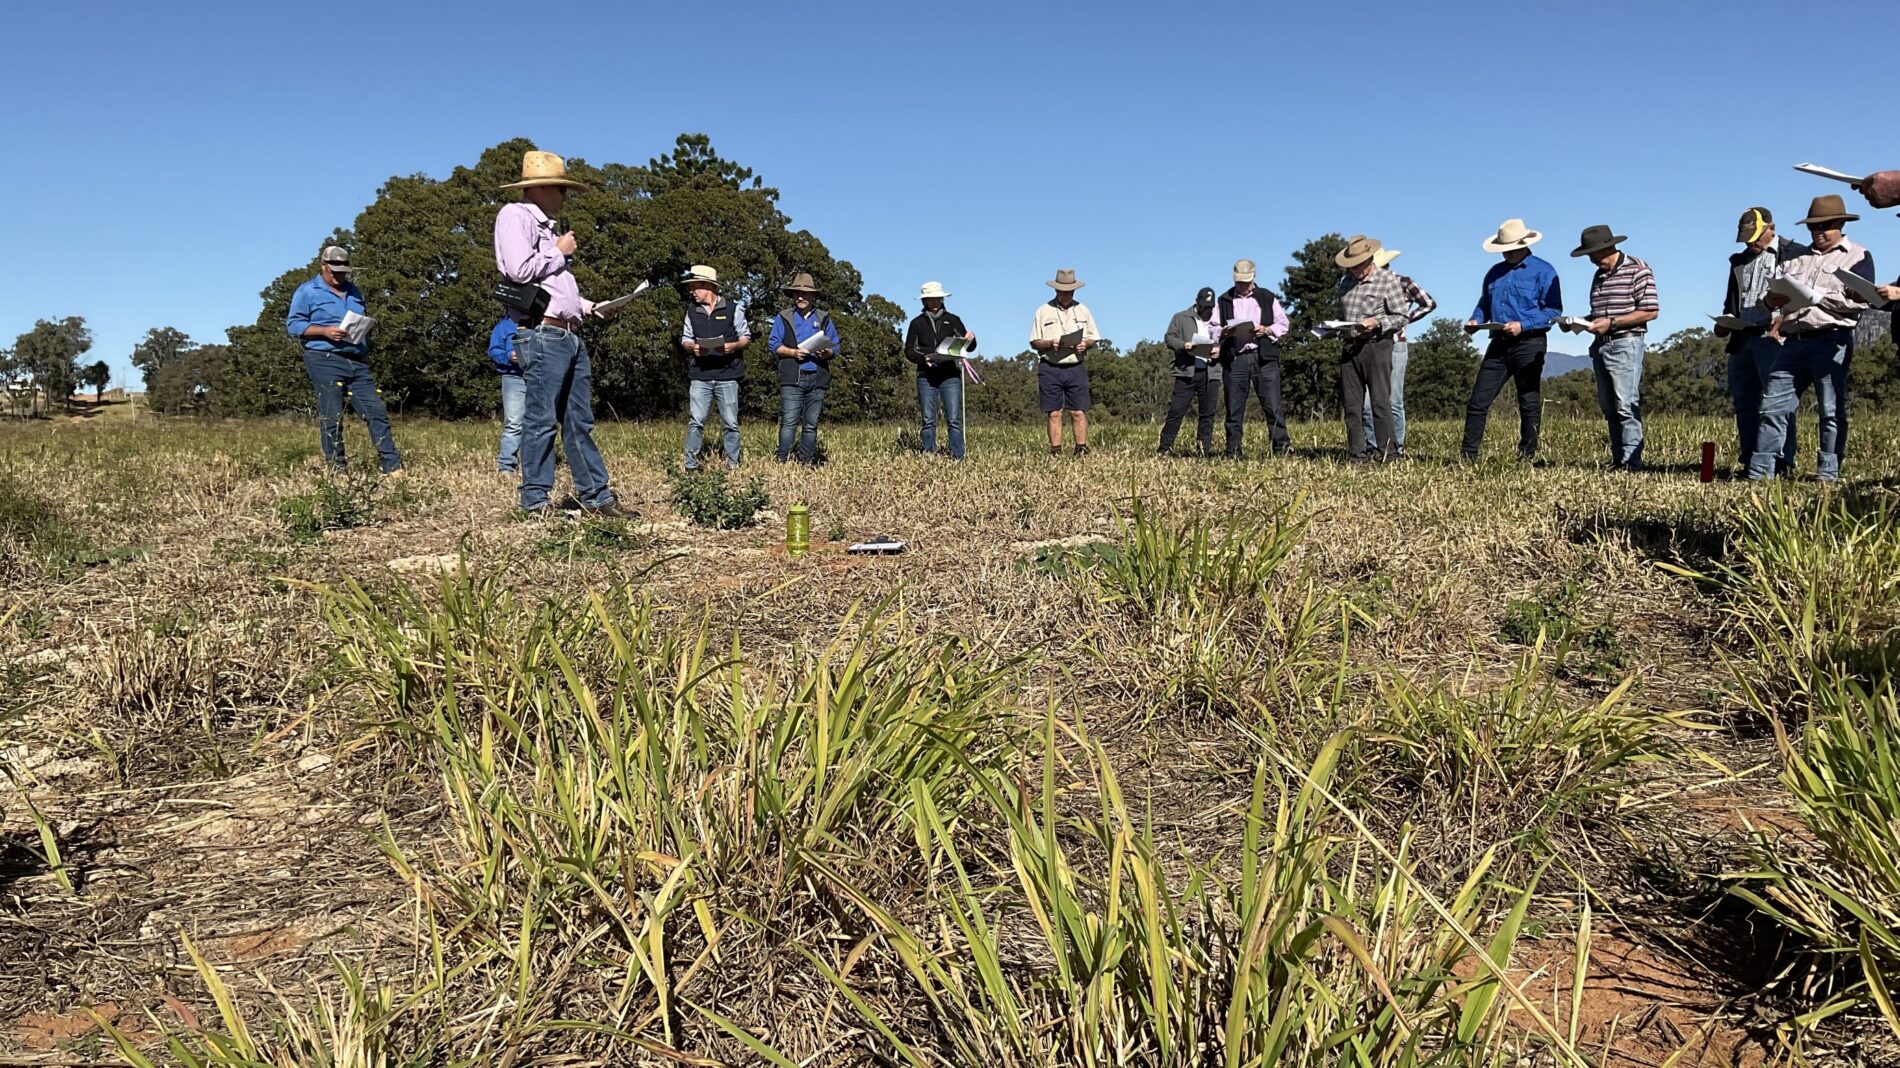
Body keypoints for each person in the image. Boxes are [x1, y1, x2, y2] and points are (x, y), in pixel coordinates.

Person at [493, 151, 634, 518]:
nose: (564, 196)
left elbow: (556, 290)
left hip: (568, 333)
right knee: (540, 420)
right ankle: (535, 501)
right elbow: (518, 271)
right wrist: (558, 251)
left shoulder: (549, 228)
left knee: (578, 420)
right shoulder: (515, 216)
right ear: (539, 188)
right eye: (560, 187)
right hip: (542, 334)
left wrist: (590, 306)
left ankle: (597, 497)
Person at [1753, 195, 1876, 482]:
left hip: (1831, 339)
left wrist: (1818, 298)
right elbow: (1766, 300)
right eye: (1813, 227)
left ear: (1841, 224)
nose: (1819, 232)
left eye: (1826, 226)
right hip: (1792, 340)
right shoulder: (1795, 256)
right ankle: (1760, 473)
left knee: (1830, 410)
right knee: (1771, 407)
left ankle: (1828, 473)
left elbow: (1862, 301)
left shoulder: (1858, 256)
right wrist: (1772, 299)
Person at [285, 246, 403, 474]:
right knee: (332, 416)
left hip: (356, 359)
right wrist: (324, 331)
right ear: (323, 266)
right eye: (334, 270)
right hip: (323, 357)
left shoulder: (355, 292)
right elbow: (293, 325)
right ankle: (337, 469)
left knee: (376, 411)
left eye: (343, 271)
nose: (339, 275)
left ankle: (392, 467)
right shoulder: (307, 291)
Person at [1461, 219, 1562, 462]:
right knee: (1478, 401)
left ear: (1524, 245)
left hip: (1530, 342)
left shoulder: (1544, 271)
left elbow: (1553, 311)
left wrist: (1523, 325)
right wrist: (1475, 320)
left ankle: (1527, 455)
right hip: (1498, 343)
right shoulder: (1494, 273)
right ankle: (1468, 456)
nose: (1507, 253)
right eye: (1504, 249)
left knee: (1528, 401)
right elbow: (1484, 305)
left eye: (1512, 248)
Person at [1565, 225, 1659, 471]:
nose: (1590, 259)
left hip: (1625, 343)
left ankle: (1631, 462)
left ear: (1605, 248)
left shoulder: (1637, 269)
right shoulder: (1599, 275)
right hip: (1601, 345)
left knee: (1626, 404)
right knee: (1609, 406)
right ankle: (1619, 459)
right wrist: (1581, 322)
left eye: (1592, 254)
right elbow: (1601, 313)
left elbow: (1650, 311)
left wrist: (1613, 323)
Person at [1717, 208, 1800, 475]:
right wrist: (1724, 322)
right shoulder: (1738, 261)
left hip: (1774, 337)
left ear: (1771, 229)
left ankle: (1781, 462)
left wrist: (1784, 323)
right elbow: (1732, 301)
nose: (1750, 242)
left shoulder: (1794, 253)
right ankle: (1750, 460)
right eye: (1746, 237)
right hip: (1742, 337)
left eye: (1754, 236)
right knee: (1745, 404)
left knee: (1776, 404)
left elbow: (1802, 295)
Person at [1333, 236, 1412, 460]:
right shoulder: (1345, 283)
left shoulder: (1387, 280)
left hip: (1377, 345)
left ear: (1369, 260)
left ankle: (1389, 452)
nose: (1354, 270)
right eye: (1350, 266)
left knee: (1379, 402)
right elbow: (1341, 315)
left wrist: (1377, 322)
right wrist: (1334, 328)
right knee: (1352, 404)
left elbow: (1401, 316)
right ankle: (1357, 453)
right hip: (1350, 347)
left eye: (1357, 265)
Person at [1358, 248, 1435, 455]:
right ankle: (1374, 446)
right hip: (1369, 345)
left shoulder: (1402, 282)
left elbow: (1428, 303)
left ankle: (1396, 447)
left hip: (1396, 344)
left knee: (1392, 400)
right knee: (1367, 402)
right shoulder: (1359, 286)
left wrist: (1406, 319)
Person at [678, 264, 750, 470]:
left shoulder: (733, 309)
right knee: (696, 420)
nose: (692, 292)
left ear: (709, 286)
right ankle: (690, 464)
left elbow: (745, 337)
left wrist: (733, 347)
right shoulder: (691, 311)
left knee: (730, 422)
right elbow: (685, 339)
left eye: (695, 287)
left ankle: (732, 464)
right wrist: (693, 348)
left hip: (728, 374)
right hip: (700, 375)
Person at [1218, 259, 1291, 458]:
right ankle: (1233, 451)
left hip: (1263, 358)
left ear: (1254, 278)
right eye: (1239, 282)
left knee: (1272, 406)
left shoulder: (1267, 297)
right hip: (1236, 359)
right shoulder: (1224, 300)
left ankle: (1282, 449)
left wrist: (1266, 330)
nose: (1242, 286)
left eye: (1246, 282)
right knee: (1233, 409)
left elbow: (1283, 324)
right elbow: (1213, 328)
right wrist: (1224, 333)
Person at [767, 273, 839, 465]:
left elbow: (835, 346)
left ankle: (806, 462)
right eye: (797, 293)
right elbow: (774, 344)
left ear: (812, 296)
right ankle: (782, 460)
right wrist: (791, 352)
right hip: (792, 377)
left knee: (811, 424)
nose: (801, 297)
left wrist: (827, 353)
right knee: (789, 422)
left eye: (805, 293)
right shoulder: (784, 317)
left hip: (818, 377)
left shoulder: (824, 318)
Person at [1030, 268, 1099, 456]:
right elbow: (1034, 342)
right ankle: (1056, 451)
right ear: (1056, 290)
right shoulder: (1043, 311)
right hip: (1050, 367)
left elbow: (1094, 337)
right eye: (1063, 291)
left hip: (1075, 366)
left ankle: (1081, 448)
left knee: (1078, 411)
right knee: (1054, 412)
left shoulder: (1083, 310)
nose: (1067, 294)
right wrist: (1050, 343)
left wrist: (1085, 344)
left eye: (1070, 291)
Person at [904, 281, 975, 459]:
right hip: (925, 376)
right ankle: (929, 454)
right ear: (925, 301)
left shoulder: (953, 320)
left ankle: (958, 456)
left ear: (942, 298)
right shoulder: (916, 323)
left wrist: (971, 339)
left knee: (954, 419)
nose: (935, 302)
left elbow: (968, 346)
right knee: (928, 420)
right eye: (931, 299)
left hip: (950, 375)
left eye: (938, 298)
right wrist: (924, 358)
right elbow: (909, 351)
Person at [1160, 287, 1224, 456]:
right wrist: (1184, 345)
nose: (1207, 311)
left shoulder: (1220, 320)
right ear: (1197, 303)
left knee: (1207, 414)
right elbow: (1169, 338)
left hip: (1211, 372)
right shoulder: (1180, 317)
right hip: (1186, 371)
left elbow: (1229, 341)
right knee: (1176, 411)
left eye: (1210, 307)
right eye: (1204, 307)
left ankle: (1203, 450)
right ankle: (1165, 448)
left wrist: (1220, 350)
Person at [488, 316, 525, 473]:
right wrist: (509, 357)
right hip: (513, 377)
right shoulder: (502, 327)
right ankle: (506, 466)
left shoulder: (539, 323)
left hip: (539, 376)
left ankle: (537, 466)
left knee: (540, 423)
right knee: (513, 423)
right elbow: (494, 351)